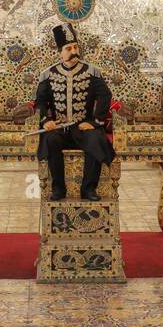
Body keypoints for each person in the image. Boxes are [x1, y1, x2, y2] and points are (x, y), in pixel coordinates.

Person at [35, 23, 114, 201]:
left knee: (96, 138)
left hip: (82, 126)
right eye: (69, 48)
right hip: (59, 127)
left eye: (75, 47)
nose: (73, 51)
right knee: (51, 139)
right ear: (60, 52)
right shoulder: (48, 74)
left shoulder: (91, 72)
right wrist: (45, 120)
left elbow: (105, 96)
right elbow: (39, 102)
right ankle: (58, 189)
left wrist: (95, 121)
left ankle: (88, 189)